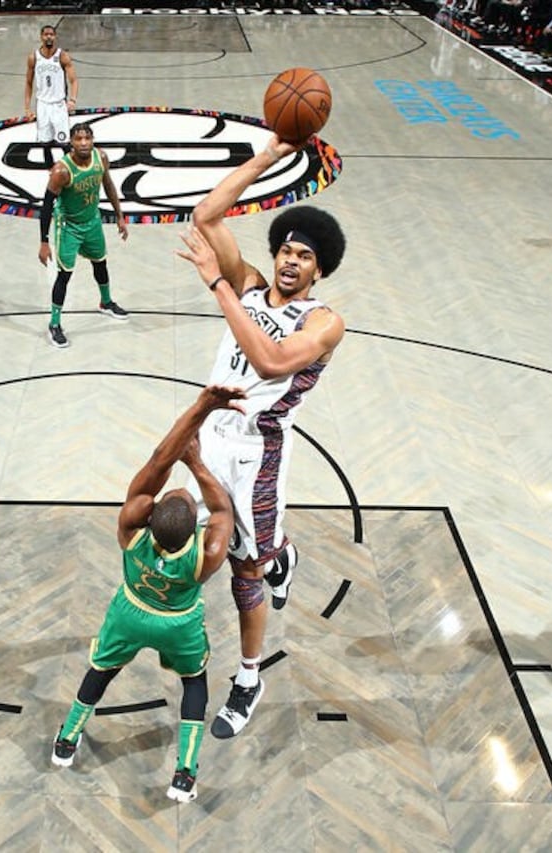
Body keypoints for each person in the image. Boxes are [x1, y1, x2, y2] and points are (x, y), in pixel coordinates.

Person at [177, 133, 348, 740]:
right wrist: (269, 157)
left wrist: (219, 287)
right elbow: (206, 216)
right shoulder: (250, 282)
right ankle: (282, 555)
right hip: (210, 436)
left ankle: (249, 678)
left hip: (257, 456)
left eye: (303, 255)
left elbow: (273, 361)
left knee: (244, 574)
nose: (289, 260)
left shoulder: (324, 321)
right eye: (284, 249)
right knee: (187, 550)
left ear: (319, 268)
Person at [51, 384, 241, 803]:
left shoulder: (132, 528)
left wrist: (194, 418)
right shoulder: (204, 555)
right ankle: (185, 774)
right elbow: (224, 509)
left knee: (101, 670)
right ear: (195, 528)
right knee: (194, 683)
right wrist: (196, 465)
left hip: (131, 611)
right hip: (179, 624)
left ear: (152, 512)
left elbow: (157, 462)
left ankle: (67, 739)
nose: (183, 493)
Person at [37, 121, 129, 349]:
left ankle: (106, 302)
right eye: (78, 139)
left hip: (92, 221)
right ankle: (55, 324)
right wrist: (44, 242)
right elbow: (47, 205)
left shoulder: (101, 158)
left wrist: (119, 215)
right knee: (64, 275)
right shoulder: (61, 171)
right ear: (71, 142)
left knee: (101, 263)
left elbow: (108, 184)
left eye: (87, 138)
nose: (84, 142)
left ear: (93, 140)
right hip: (69, 226)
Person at [23, 24, 77, 145]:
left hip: (59, 104)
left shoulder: (62, 56)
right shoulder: (34, 57)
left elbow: (73, 80)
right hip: (42, 104)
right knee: (44, 143)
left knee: (64, 142)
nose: (49, 37)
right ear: (41, 37)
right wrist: (27, 108)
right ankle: (48, 164)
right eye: (46, 34)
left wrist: (72, 100)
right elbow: (28, 83)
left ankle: (65, 164)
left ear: (55, 37)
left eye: (51, 35)